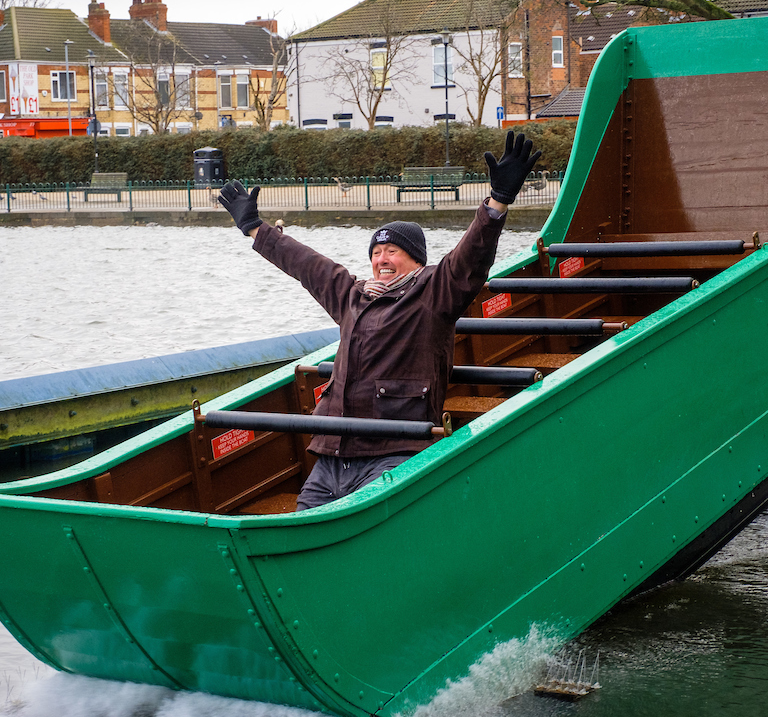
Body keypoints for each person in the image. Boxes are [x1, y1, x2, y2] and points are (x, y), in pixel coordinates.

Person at [219, 131, 541, 510]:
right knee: (301, 529)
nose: (382, 259)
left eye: (393, 251)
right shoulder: (351, 295)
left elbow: (471, 257)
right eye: (377, 252)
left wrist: (497, 202)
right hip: (332, 451)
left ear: (417, 261)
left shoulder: (435, 291)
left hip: (395, 448)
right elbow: (307, 265)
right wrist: (255, 228)